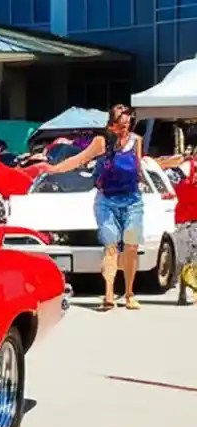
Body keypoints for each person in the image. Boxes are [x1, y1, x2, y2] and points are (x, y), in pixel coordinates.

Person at [44, 104, 146, 310]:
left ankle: (128, 294)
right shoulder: (102, 143)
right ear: (112, 125)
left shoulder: (136, 142)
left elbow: (140, 167)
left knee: (131, 247)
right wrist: (52, 169)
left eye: (128, 124)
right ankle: (109, 294)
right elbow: (79, 159)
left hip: (132, 200)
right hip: (106, 201)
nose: (125, 129)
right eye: (121, 125)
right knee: (110, 246)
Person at [159, 147, 197, 305]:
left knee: (194, 255)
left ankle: (190, 290)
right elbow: (169, 179)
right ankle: (183, 290)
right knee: (185, 255)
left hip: (188, 215)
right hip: (185, 217)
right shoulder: (187, 167)